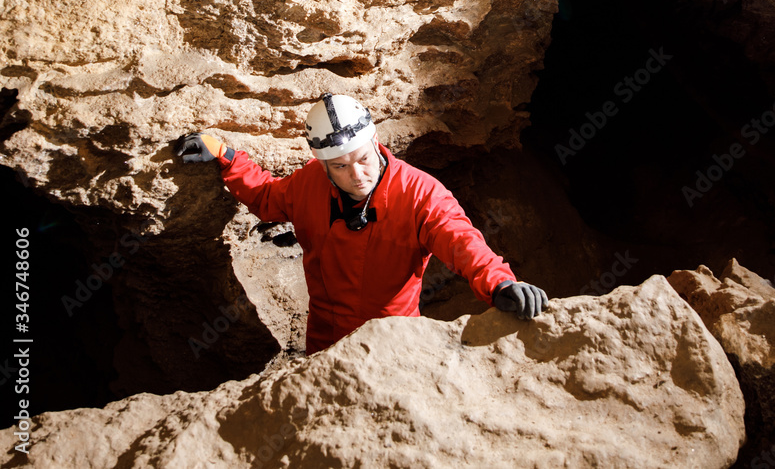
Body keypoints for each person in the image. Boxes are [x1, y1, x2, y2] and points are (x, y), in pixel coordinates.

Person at [175, 93, 548, 354]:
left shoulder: (420, 194)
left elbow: (461, 241)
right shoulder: (309, 184)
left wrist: (499, 283)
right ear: (322, 164)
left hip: (392, 343)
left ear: (376, 142)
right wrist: (225, 156)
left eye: (363, 159)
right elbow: (267, 198)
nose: (357, 175)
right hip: (324, 343)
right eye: (340, 166)